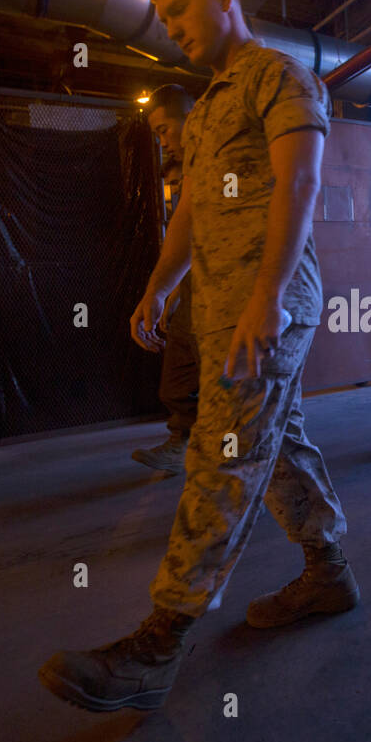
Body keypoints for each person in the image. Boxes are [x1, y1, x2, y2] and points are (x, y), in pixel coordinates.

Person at [40, 0, 357, 713]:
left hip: (266, 308)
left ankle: (159, 642)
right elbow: (187, 213)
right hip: (222, 312)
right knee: (279, 446)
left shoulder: (276, 75)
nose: (171, 25)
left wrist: (267, 299)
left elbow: (301, 180)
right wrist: (158, 286)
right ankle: (328, 572)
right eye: (164, 15)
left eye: (180, 8)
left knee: (221, 456)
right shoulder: (210, 105)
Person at [131, 84, 199, 474]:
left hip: (233, 297)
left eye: (163, 129)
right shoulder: (192, 169)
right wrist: (164, 290)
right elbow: (183, 229)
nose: (162, 141)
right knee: (177, 377)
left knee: (234, 398)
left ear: (190, 116)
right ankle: (183, 441)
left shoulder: (224, 153)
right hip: (194, 291)